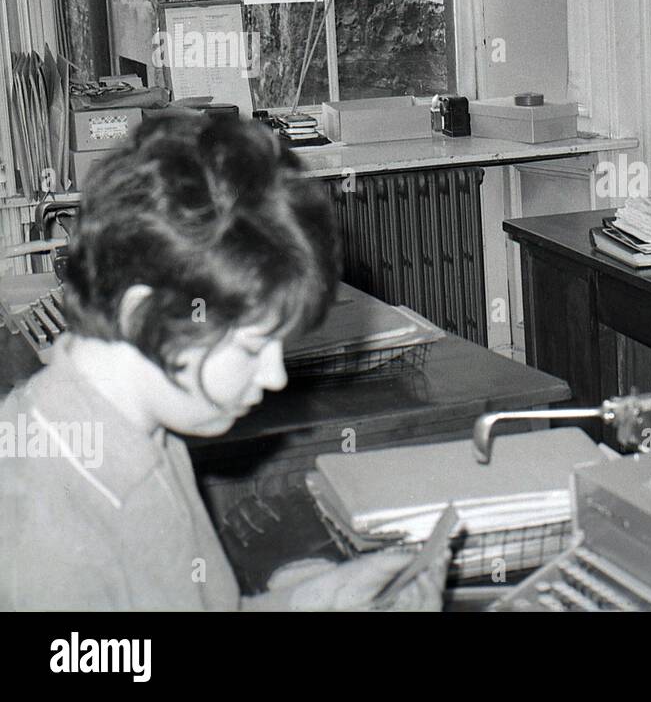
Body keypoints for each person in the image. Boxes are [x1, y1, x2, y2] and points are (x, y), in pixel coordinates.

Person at [0, 112, 442, 610]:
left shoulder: (139, 424)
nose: (275, 377)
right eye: (253, 348)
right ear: (145, 314)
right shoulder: (39, 528)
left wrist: (313, 602)